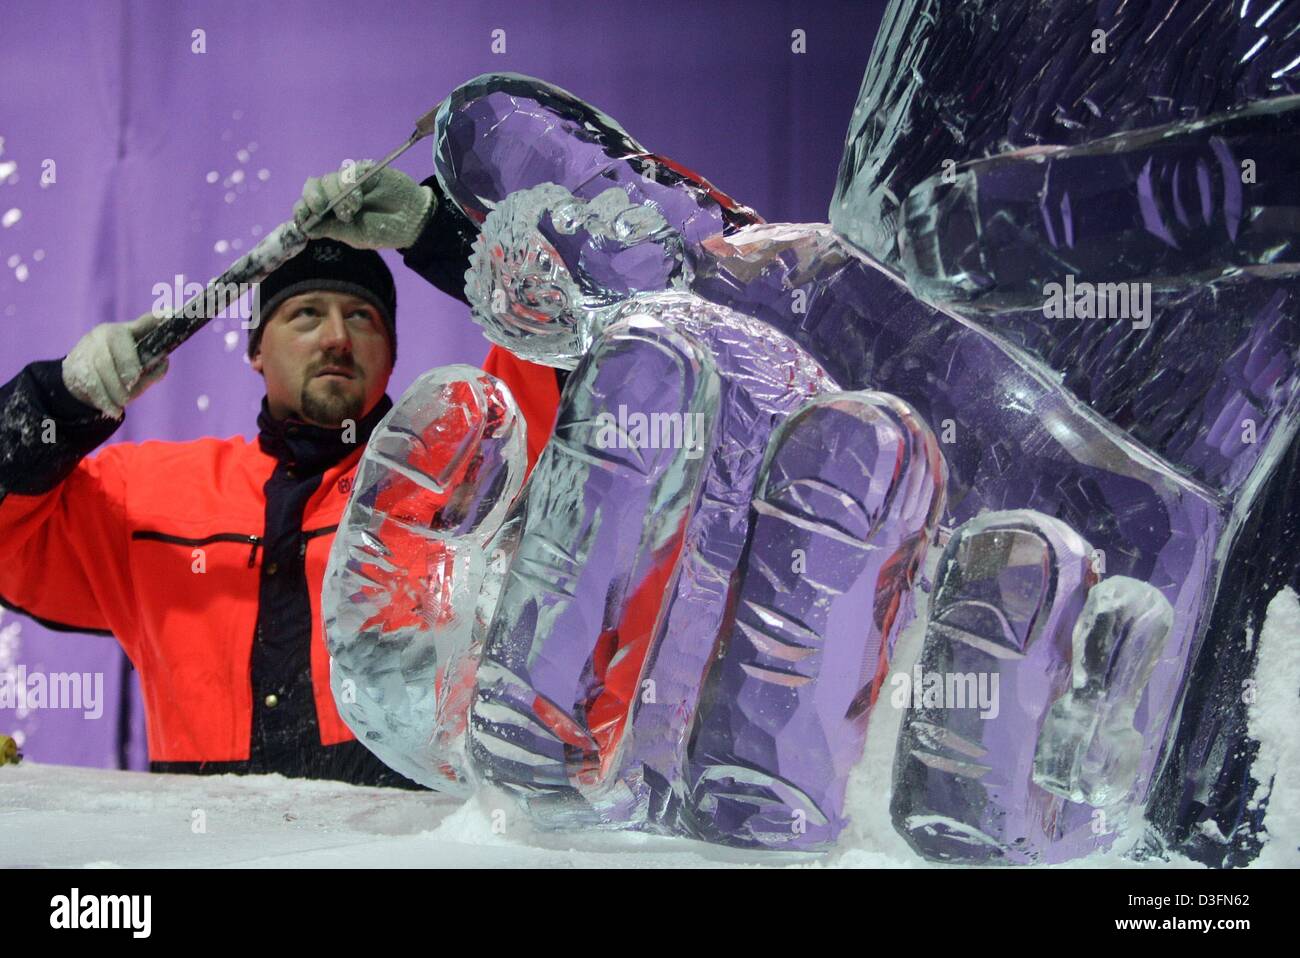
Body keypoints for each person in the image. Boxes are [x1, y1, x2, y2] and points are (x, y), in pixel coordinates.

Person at [0, 228, 559, 786]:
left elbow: (571, 339)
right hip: (203, 852)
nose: (337, 337)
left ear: (392, 355)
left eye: (363, 317)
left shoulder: (466, 463)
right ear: (255, 351)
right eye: (307, 314)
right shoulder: (141, 494)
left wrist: (432, 229)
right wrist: (58, 400)